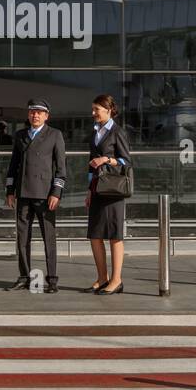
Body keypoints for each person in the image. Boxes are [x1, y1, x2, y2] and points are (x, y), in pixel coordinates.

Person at [5, 98, 66, 293]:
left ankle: (52, 279)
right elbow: (13, 166)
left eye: (39, 112)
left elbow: (61, 169)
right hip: (23, 193)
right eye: (32, 112)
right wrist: (10, 191)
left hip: (45, 194)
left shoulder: (55, 135)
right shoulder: (20, 135)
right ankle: (24, 276)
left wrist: (56, 192)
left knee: (49, 238)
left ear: (46, 116)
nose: (35, 115)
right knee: (22, 238)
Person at [85, 94, 131, 295]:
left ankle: (116, 280)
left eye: (97, 109)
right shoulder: (94, 132)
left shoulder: (117, 131)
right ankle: (102, 277)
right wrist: (89, 189)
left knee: (113, 235)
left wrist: (106, 159)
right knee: (95, 235)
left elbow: (126, 161)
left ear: (109, 110)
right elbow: (90, 163)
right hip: (97, 188)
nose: (93, 113)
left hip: (113, 189)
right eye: (93, 109)